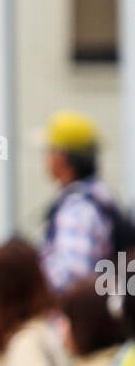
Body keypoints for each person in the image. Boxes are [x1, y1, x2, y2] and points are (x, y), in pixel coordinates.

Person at [40, 111, 121, 293]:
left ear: (61, 157)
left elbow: (72, 277)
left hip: (77, 317)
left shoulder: (78, 209)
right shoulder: (100, 197)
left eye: (49, 151)